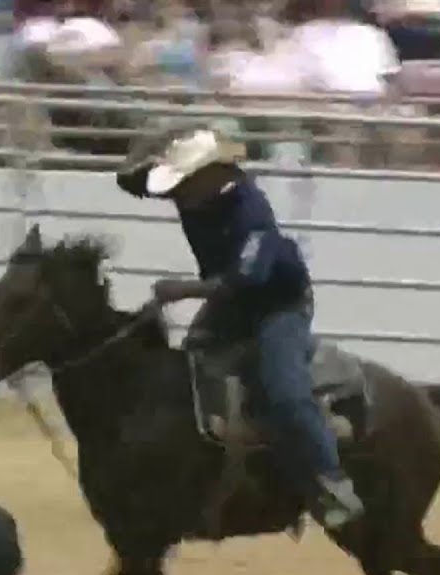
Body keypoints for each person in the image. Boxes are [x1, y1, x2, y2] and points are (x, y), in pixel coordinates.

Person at [115, 124, 366, 530]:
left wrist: (181, 290)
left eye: (184, 183)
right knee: (188, 374)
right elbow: (139, 184)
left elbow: (246, 278)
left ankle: (333, 482)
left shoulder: (251, 210)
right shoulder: (195, 203)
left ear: (211, 175)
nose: (177, 194)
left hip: (278, 306)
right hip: (231, 304)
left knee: (285, 391)